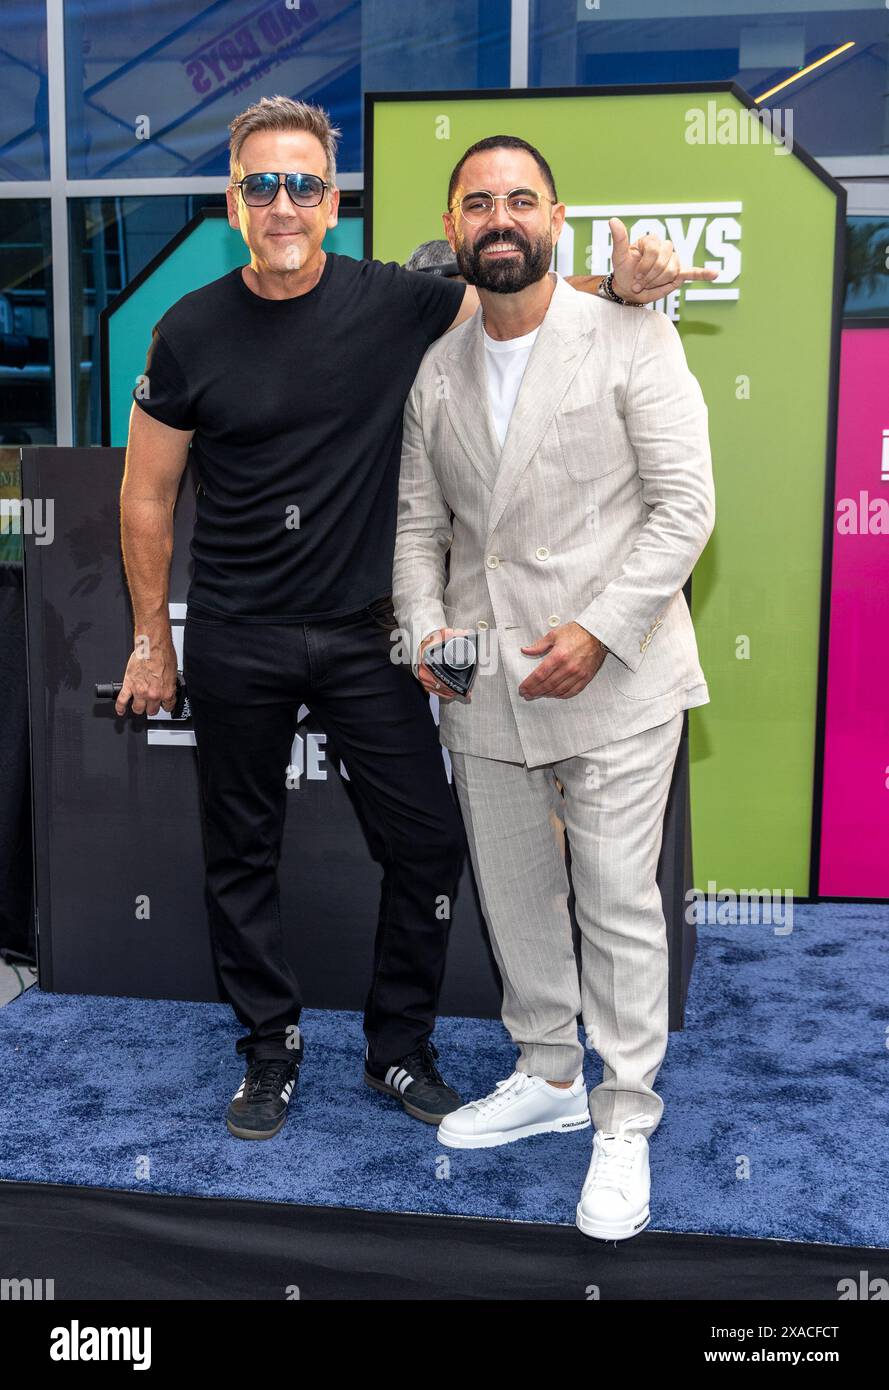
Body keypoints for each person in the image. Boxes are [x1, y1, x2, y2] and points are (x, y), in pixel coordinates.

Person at [116, 95, 712, 1143]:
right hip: (238, 631)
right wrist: (149, 640)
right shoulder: (188, 329)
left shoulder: (401, 303)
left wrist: (621, 289)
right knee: (240, 848)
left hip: (369, 632)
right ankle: (268, 1048)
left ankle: (396, 1050)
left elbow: (521, 290)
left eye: (303, 184)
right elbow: (145, 496)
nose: (284, 203)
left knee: (429, 845)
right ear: (233, 203)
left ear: (333, 201)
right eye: (262, 185)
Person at [392, 134, 715, 1240]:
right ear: (453, 225)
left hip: (615, 674)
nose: (499, 217)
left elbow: (684, 507)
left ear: (557, 218)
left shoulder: (629, 332)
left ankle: (624, 1116)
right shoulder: (436, 369)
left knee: (618, 898)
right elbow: (420, 523)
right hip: (486, 680)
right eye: (477, 201)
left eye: (519, 199)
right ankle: (548, 1073)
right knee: (516, 892)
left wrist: (599, 628)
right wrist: (422, 627)